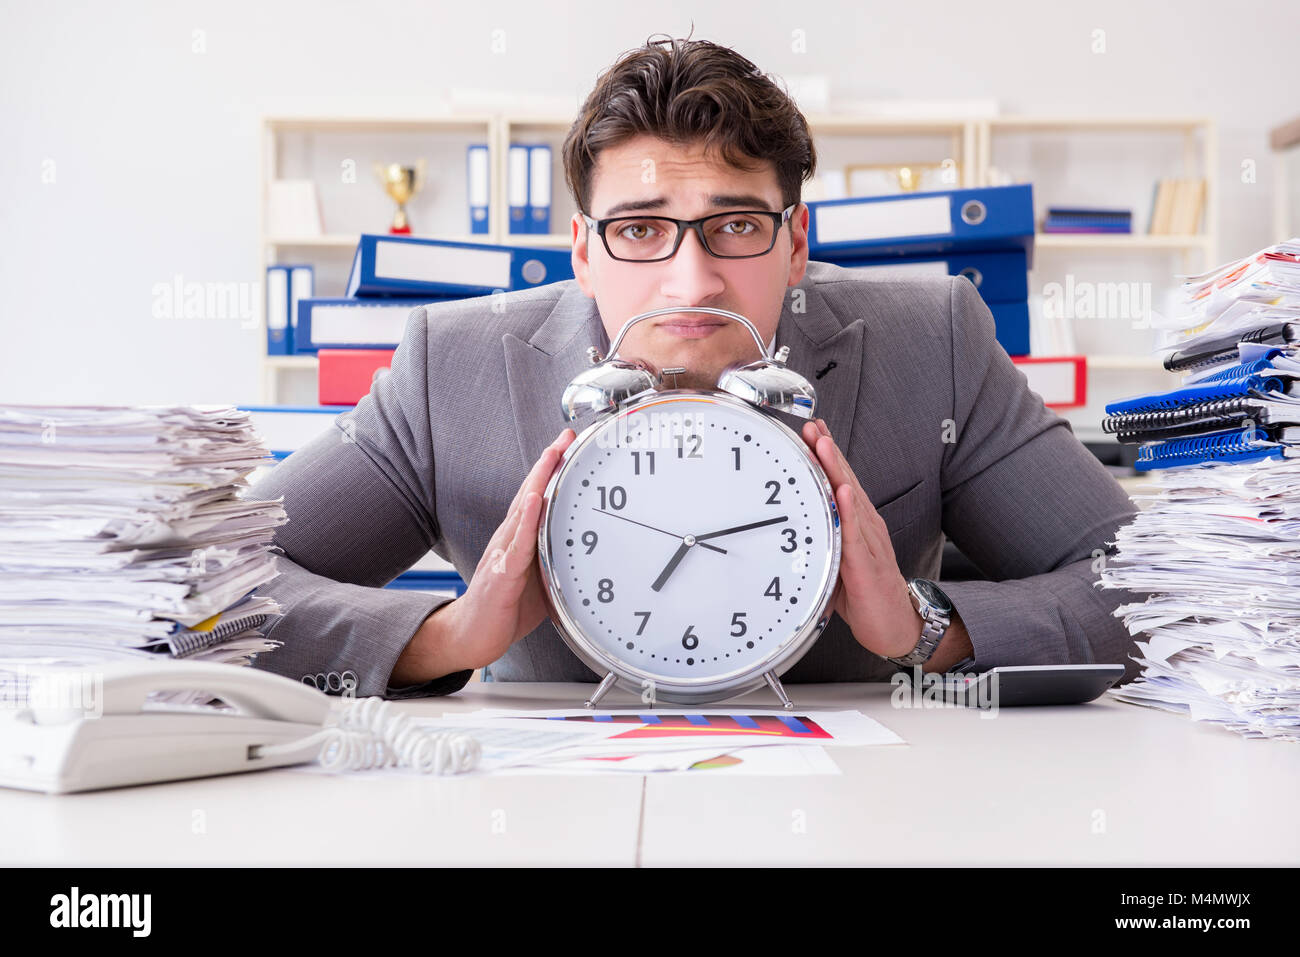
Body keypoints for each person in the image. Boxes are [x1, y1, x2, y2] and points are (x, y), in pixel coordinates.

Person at [247, 35, 1141, 699]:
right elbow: (209, 590)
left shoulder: (931, 341)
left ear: (795, 242)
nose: (693, 279)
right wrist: (442, 638)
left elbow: (1147, 584)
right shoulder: (454, 369)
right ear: (582, 252)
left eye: (737, 225)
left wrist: (927, 629)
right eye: (639, 228)